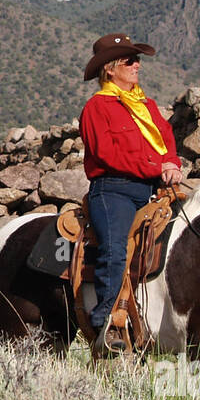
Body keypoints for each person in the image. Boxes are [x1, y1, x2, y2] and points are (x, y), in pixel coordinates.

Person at [79, 35, 184, 351]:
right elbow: (107, 154)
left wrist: (173, 165)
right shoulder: (97, 108)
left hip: (153, 190)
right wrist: (156, 167)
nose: (137, 65)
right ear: (110, 69)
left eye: (136, 60)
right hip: (114, 191)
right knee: (114, 248)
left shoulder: (147, 106)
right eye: (129, 60)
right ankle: (107, 321)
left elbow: (167, 143)